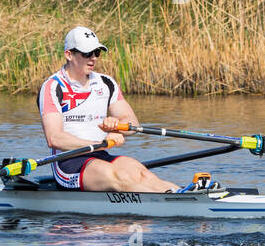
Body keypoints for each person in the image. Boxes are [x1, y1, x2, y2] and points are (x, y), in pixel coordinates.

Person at [37, 26, 184, 193]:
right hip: (68, 162)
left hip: (100, 155)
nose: (93, 58)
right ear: (69, 54)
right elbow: (55, 139)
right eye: (87, 53)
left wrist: (117, 127)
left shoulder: (105, 83)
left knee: (144, 174)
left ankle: (185, 195)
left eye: (97, 53)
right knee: (121, 178)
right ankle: (170, 202)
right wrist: (99, 144)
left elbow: (132, 123)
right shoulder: (53, 87)